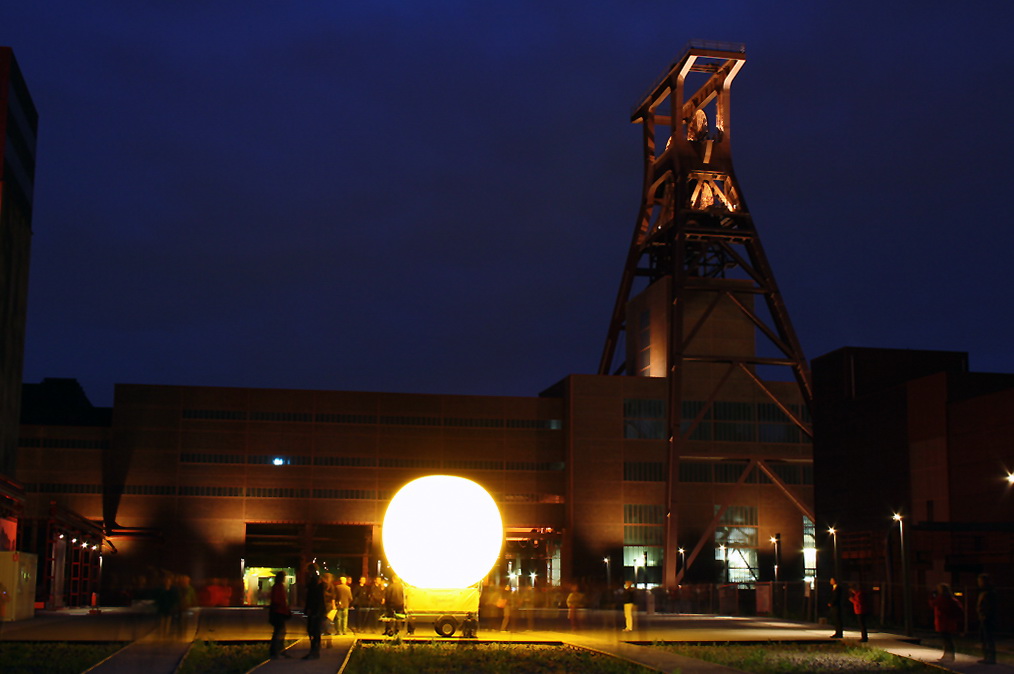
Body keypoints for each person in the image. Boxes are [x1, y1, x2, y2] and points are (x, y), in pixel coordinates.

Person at [929, 583, 963, 662]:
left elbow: (933, 604)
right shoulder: (951, 599)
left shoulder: (942, 599)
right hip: (950, 622)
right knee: (948, 639)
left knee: (946, 639)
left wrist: (931, 596)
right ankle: (950, 655)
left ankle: (948, 656)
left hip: (943, 622)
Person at [268, 571, 292, 659]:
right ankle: (276, 651)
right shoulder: (278, 587)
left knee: (280, 631)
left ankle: (279, 650)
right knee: (279, 632)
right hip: (278, 612)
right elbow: (278, 600)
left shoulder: (279, 586)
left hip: (279, 611)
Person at [302, 567, 325, 660]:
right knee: (315, 631)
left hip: (315, 611)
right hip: (317, 610)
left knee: (313, 630)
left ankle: (314, 650)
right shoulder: (318, 585)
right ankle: (315, 650)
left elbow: (311, 599)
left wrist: (309, 609)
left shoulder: (313, 585)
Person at [976, 573, 997, 665]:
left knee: (988, 638)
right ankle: (986, 656)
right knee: (984, 638)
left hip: (987, 618)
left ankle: (991, 658)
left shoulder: (990, 592)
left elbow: (990, 606)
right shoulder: (984, 592)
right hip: (983, 617)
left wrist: (985, 615)